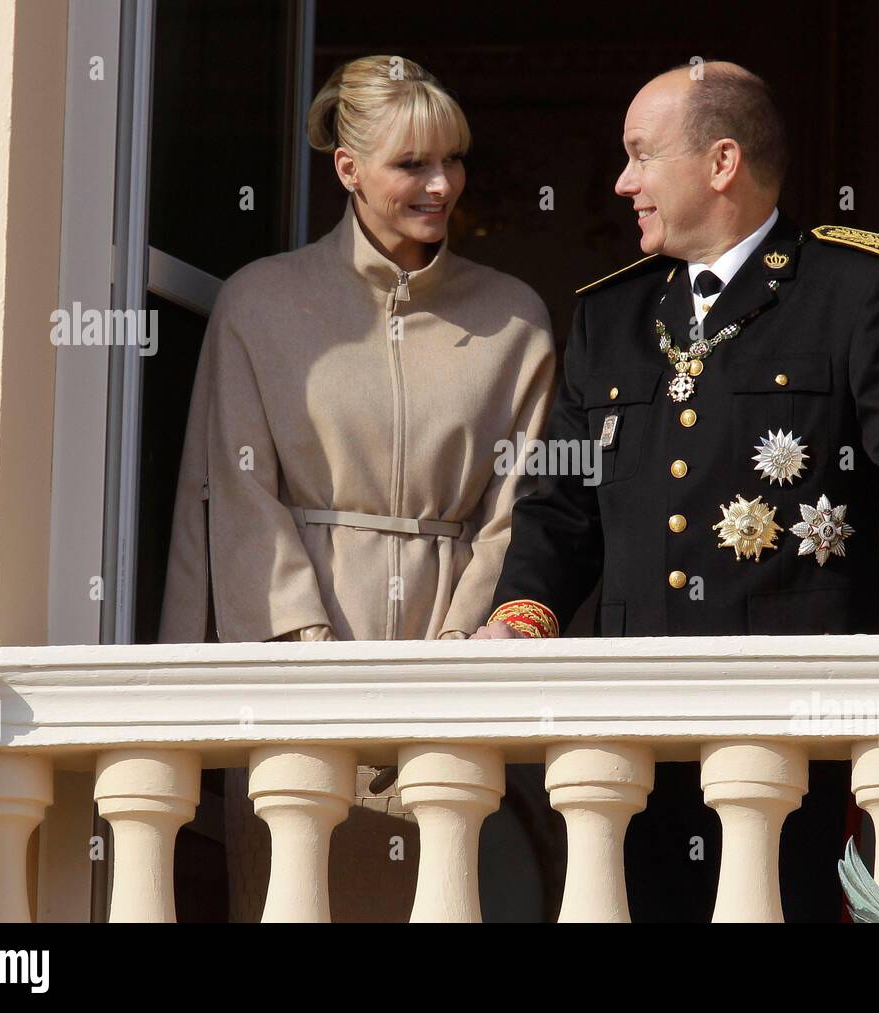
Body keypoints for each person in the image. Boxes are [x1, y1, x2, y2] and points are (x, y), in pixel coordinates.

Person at [473, 62, 879, 920]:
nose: (623, 181)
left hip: (796, 719)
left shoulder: (853, 287)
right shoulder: (610, 316)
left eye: (641, 156)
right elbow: (562, 506)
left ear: (721, 163)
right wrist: (520, 611)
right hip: (635, 730)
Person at [158, 55, 555, 920]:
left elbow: (518, 507)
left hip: (454, 680)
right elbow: (233, 491)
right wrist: (306, 650)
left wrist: (460, 643)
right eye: (412, 163)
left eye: (452, 160)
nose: (441, 184)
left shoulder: (516, 317)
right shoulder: (259, 303)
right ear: (348, 169)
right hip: (293, 680)